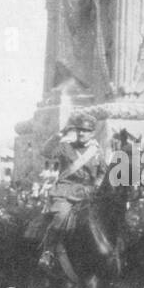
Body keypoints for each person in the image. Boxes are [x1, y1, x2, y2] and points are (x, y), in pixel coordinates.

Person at [37, 113, 105, 273]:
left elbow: (103, 172)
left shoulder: (97, 151)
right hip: (65, 191)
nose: (82, 133)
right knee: (61, 216)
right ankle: (48, 252)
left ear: (92, 133)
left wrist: (97, 184)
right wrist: (60, 134)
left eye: (86, 131)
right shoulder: (65, 147)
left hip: (89, 193)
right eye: (79, 130)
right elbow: (45, 152)